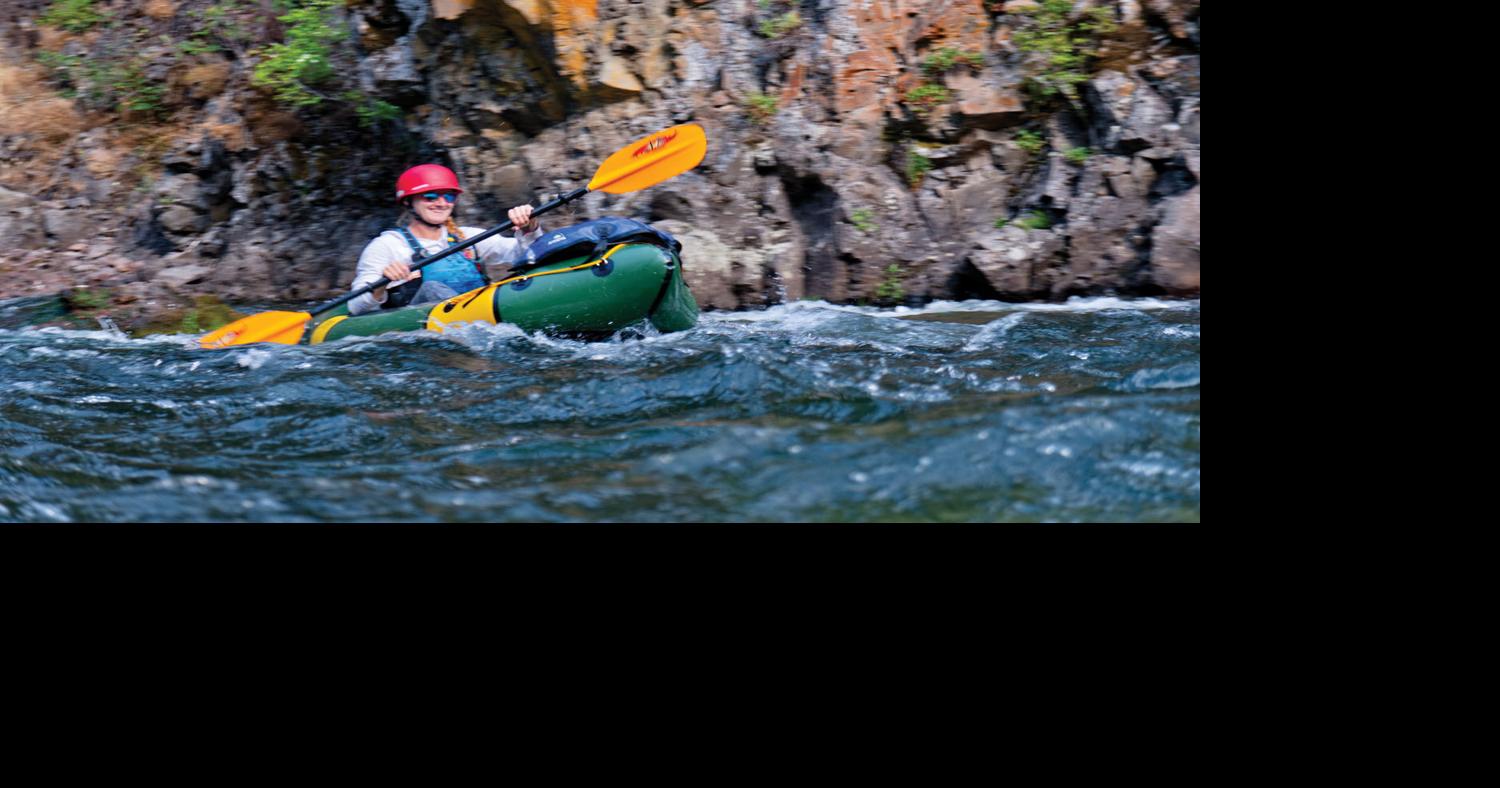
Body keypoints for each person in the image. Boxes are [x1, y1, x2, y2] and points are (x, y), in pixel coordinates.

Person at [348, 164, 544, 315]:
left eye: (448, 197)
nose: (441, 203)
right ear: (409, 202)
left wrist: (529, 227)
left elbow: (526, 253)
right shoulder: (387, 246)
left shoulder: (468, 237)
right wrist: (382, 283)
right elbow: (355, 306)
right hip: (421, 331)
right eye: (431, 196)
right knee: (432, 289)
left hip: (480, 325)